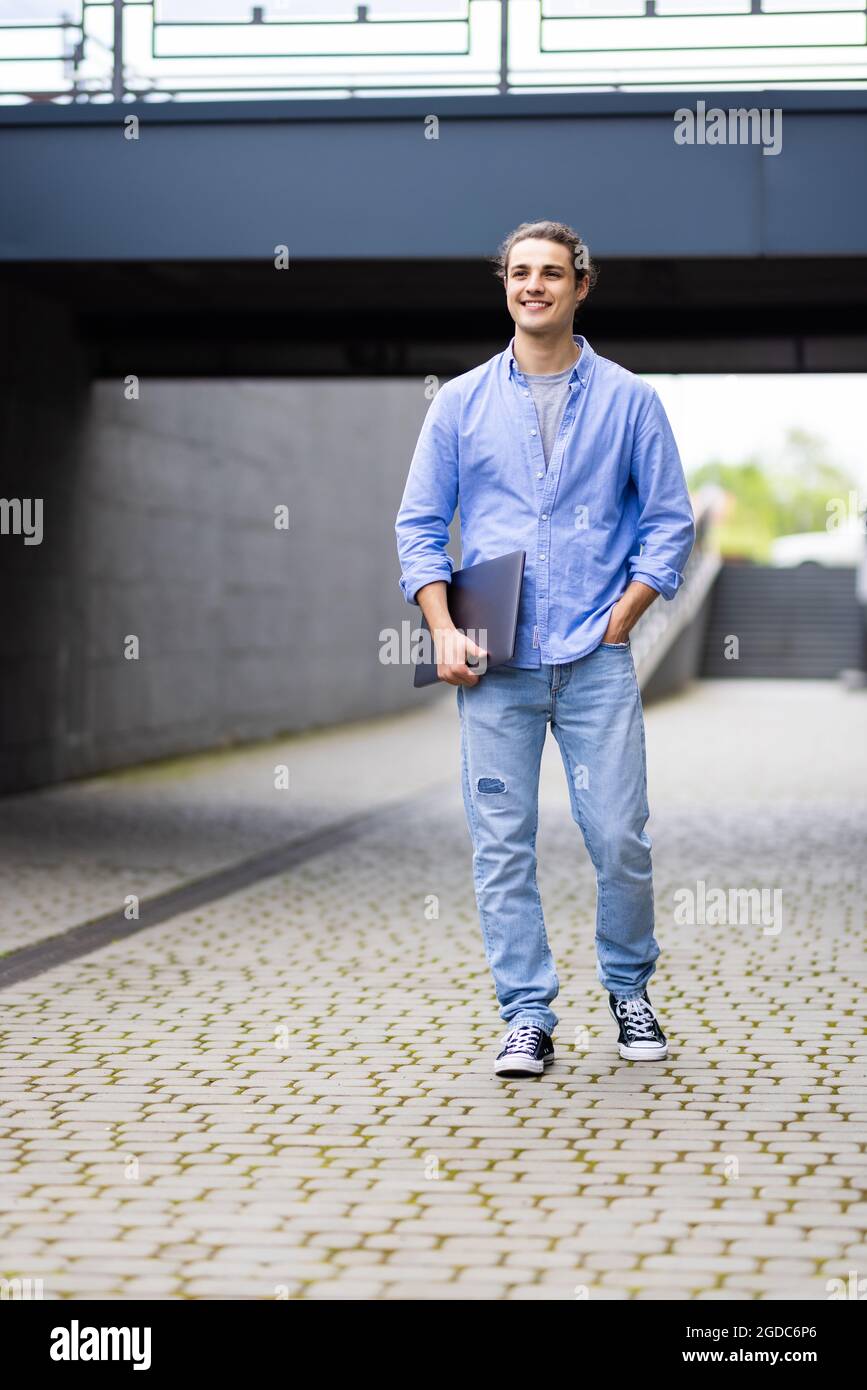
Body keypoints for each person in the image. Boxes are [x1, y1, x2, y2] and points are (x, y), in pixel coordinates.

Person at [395, 220, 695, 1077]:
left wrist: (626, 613)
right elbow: (419, 525)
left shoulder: (630, 401)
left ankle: (629, 991)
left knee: (619, 837)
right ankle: (526, 1014)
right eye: (520, 272)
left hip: (594, 660)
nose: (534, 285)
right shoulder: (459, 404)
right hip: (493, 666)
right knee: (501, 845)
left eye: (552, 273)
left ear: (579, 286)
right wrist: (442, 627)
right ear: (504, 285)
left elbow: (668, 520)